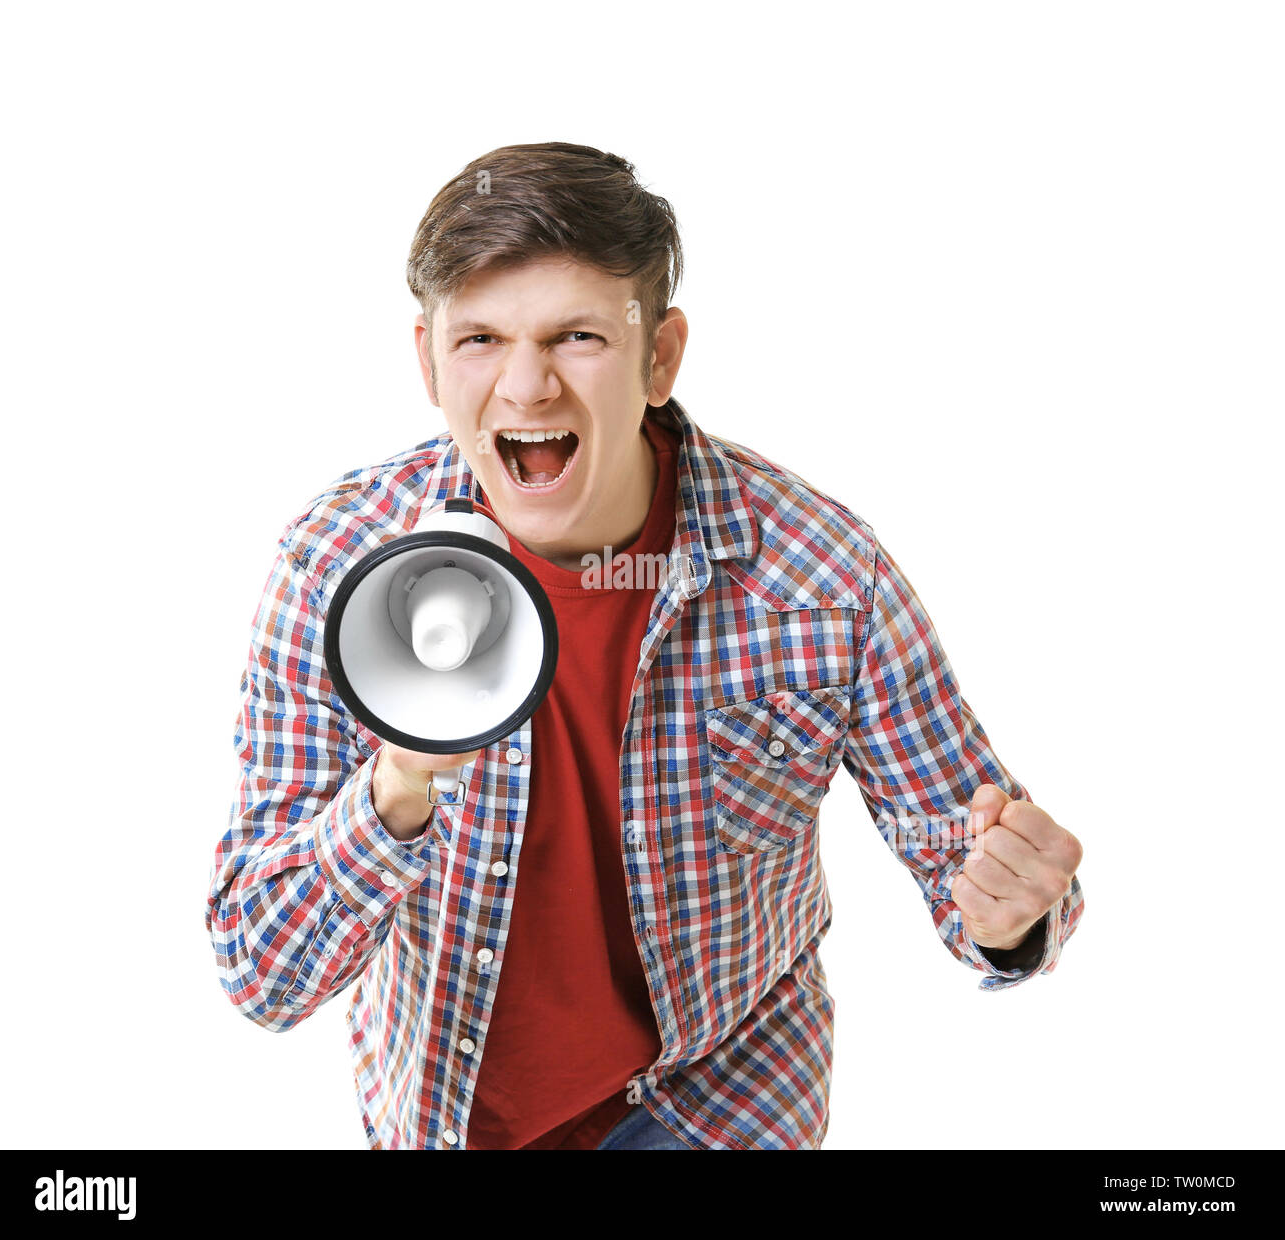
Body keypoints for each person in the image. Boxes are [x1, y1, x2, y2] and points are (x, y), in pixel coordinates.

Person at [206, 141, 1085, 1151]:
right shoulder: (337, 563)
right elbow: (258, 972)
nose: (527, 387)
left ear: (657, 356)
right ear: (427, 363)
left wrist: (1011, 912)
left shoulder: (819, 571)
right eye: (481, 338)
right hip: (446, 1118)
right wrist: (395, 790)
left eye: (575, 336)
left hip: (722, 1111)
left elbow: (963, 854)